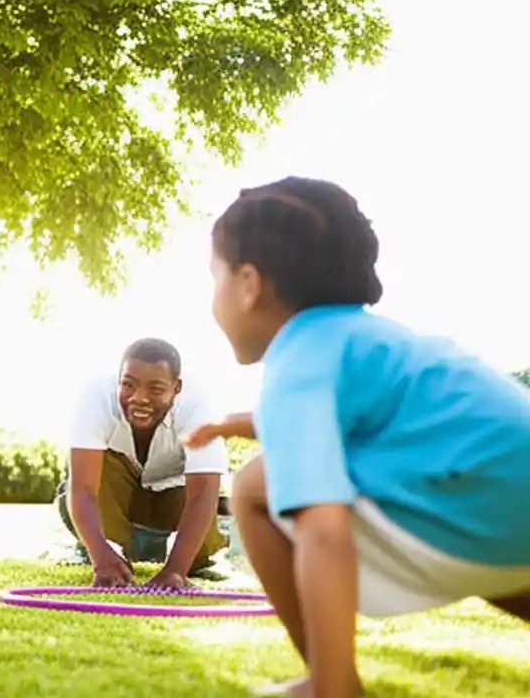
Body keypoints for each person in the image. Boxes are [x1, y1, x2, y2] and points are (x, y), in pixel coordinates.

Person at [195, 176, 530, 697]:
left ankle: (332, 682)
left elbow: (323, 530)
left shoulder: (297, 353)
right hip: (507, 503)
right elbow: (351, 422)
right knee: (499, 531)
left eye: (214, 278)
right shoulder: (369, 336)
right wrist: (239, 422)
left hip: (473, 507)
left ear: (247, 284)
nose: (212, 300)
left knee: (253, 487)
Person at [53, 338, 230, 589]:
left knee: (199, 550)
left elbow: (203, 494)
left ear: (176, 387)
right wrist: (101, 557)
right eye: (128, 385)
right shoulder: (95, 396)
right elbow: (82, 489)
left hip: (174, 492)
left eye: (156, 389)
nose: (139, 398)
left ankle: (192, 556)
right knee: (91, 481)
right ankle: (96, 549)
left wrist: (176, 571)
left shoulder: (200, 407)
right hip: (119, 495)